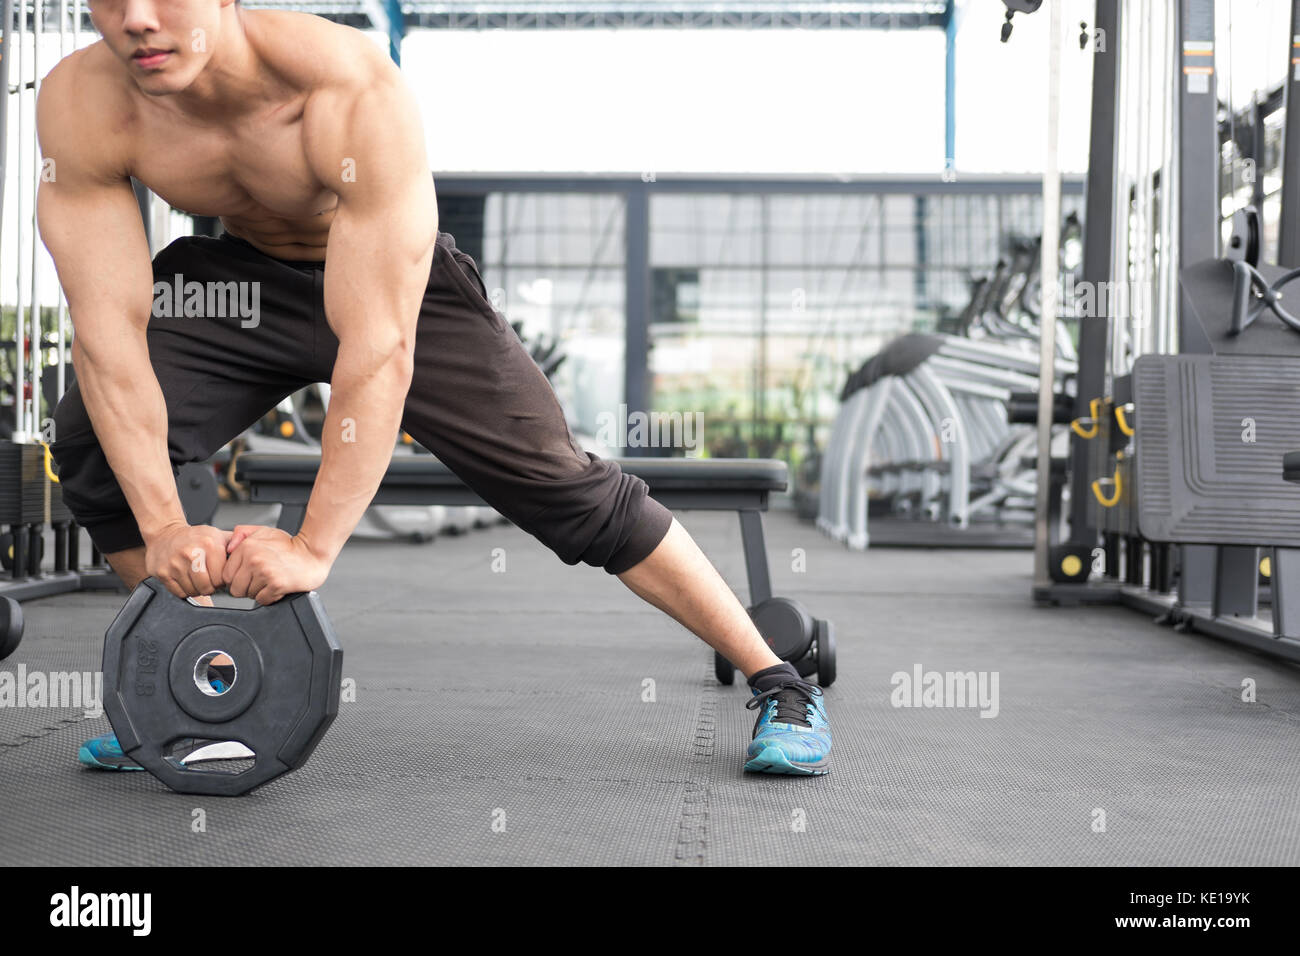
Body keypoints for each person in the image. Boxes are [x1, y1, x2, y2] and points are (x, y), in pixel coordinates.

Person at [37, 0, 831, 775]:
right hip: (236, 287)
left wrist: (314, 547)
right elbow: (108, 338)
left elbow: (376, 351)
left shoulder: (350, 89)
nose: (137, 16)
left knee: (564, 486)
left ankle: (779, 680)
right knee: (87, 442)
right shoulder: (83, 103)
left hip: (396, 284)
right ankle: (192, 676)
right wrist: (167, 529)